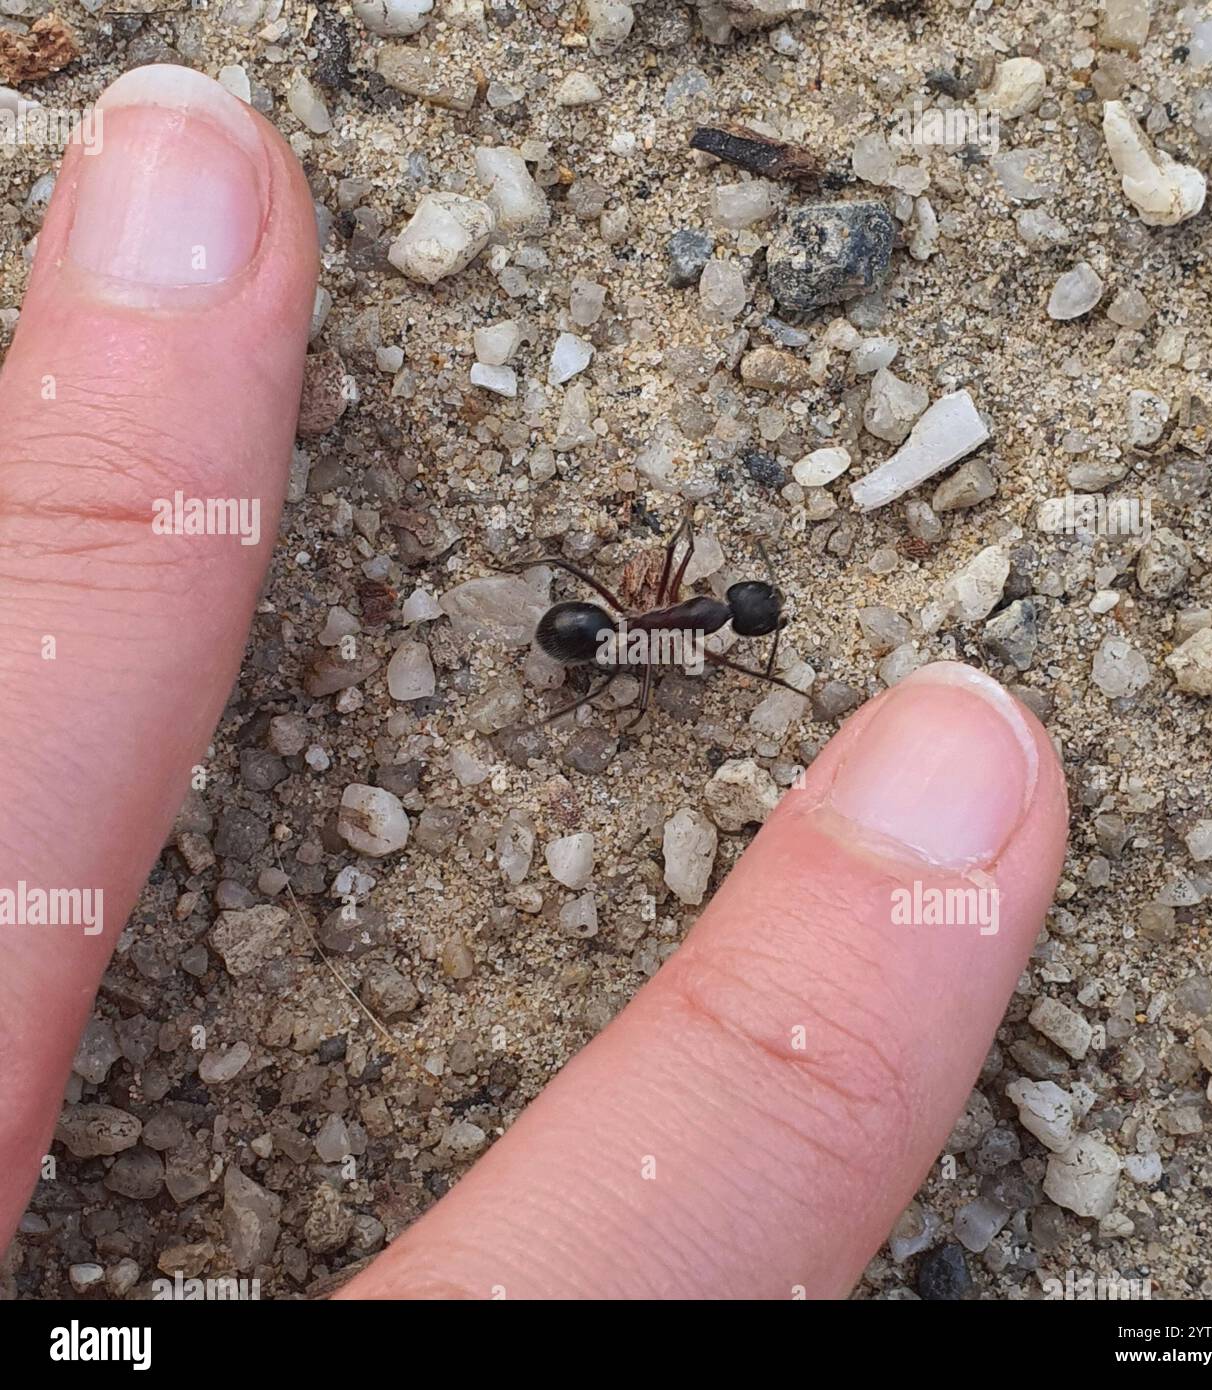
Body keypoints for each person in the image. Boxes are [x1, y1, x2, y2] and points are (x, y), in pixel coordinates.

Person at [0, 67, 1067, 1299]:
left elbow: (662, 641)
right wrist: (649, 635)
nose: (726, 618)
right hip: (601, 631)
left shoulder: (678, 626)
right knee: (626, 636)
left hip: (605, 633)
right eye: (737, 616)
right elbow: (663, 636)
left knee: (629, 640)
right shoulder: (679, 622)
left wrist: (649, 638)